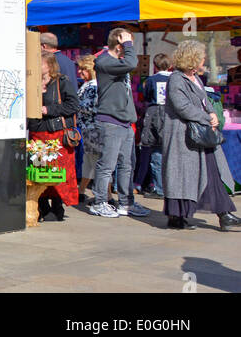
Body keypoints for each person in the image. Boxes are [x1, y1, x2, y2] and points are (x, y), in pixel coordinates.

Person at [162, 40, 241, 231]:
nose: (204, 59)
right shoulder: (176, 79)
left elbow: (205, 102)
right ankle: (177, 216)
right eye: (202, 56)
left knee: (211, 172)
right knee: (181, 176)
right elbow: (182, 107)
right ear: (192, 58)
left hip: (200, 135)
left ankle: (224, 214)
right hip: (183, 137)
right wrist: (207, 117)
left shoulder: (196, 79)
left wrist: (213, 114)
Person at [90, 27, 150, 218]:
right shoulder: (105, 62)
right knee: (107, 164)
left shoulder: (118, 62)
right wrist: (128, 44)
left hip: (124, 122)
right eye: (127, 43)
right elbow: (133, 63)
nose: (130, 47)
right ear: (119, 44)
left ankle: (126, 203)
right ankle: (100, 202)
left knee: (127, 165)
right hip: (110, 122)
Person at [30, 53, 80, 221]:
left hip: (57, 135)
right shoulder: (32, 82)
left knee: (58, 171)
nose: (37, 65)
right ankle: (42, 207)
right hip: (37, 133)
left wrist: (48, 110)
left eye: (40, 63)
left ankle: (58, 207)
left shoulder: (62, 82)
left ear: (50, 65)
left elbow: (73, 105)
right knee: (39, 171)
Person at [137, 53, 173, 199]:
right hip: (170, 114)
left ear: (155, 66)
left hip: (154, 115)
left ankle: (159, 187)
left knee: (155, 151)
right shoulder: (174, 79)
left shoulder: (151, 80)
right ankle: (167, 186)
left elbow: (146, 96)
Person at [75, 54, 100, 204]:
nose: (79, 72)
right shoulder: (88, 84)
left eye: (83, 69)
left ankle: (103, 196)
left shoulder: (94, 86)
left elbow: (92, 107)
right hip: (88, 128)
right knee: (89, 162)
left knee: (96, 163)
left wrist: (74, 105)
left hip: (93, 128)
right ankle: (82, 190)